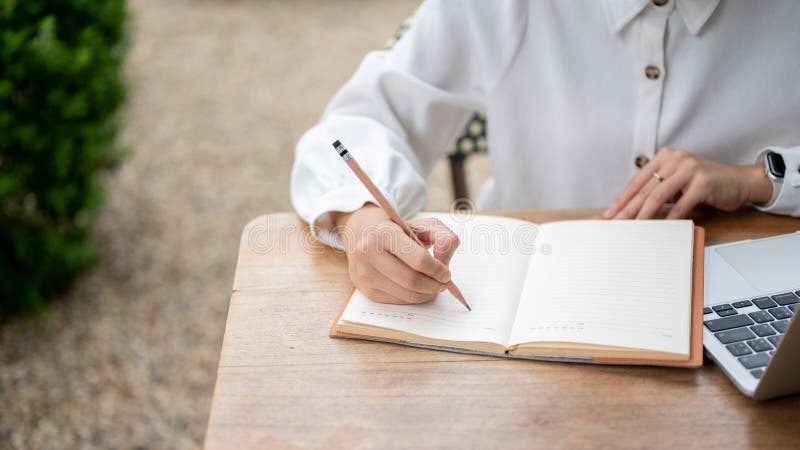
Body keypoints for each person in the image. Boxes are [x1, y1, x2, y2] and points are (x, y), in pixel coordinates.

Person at [291, 0, 800, 305]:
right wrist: (362, 218)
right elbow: (363, 118)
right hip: (522, 300)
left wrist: (766, 176)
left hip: (742, 303)